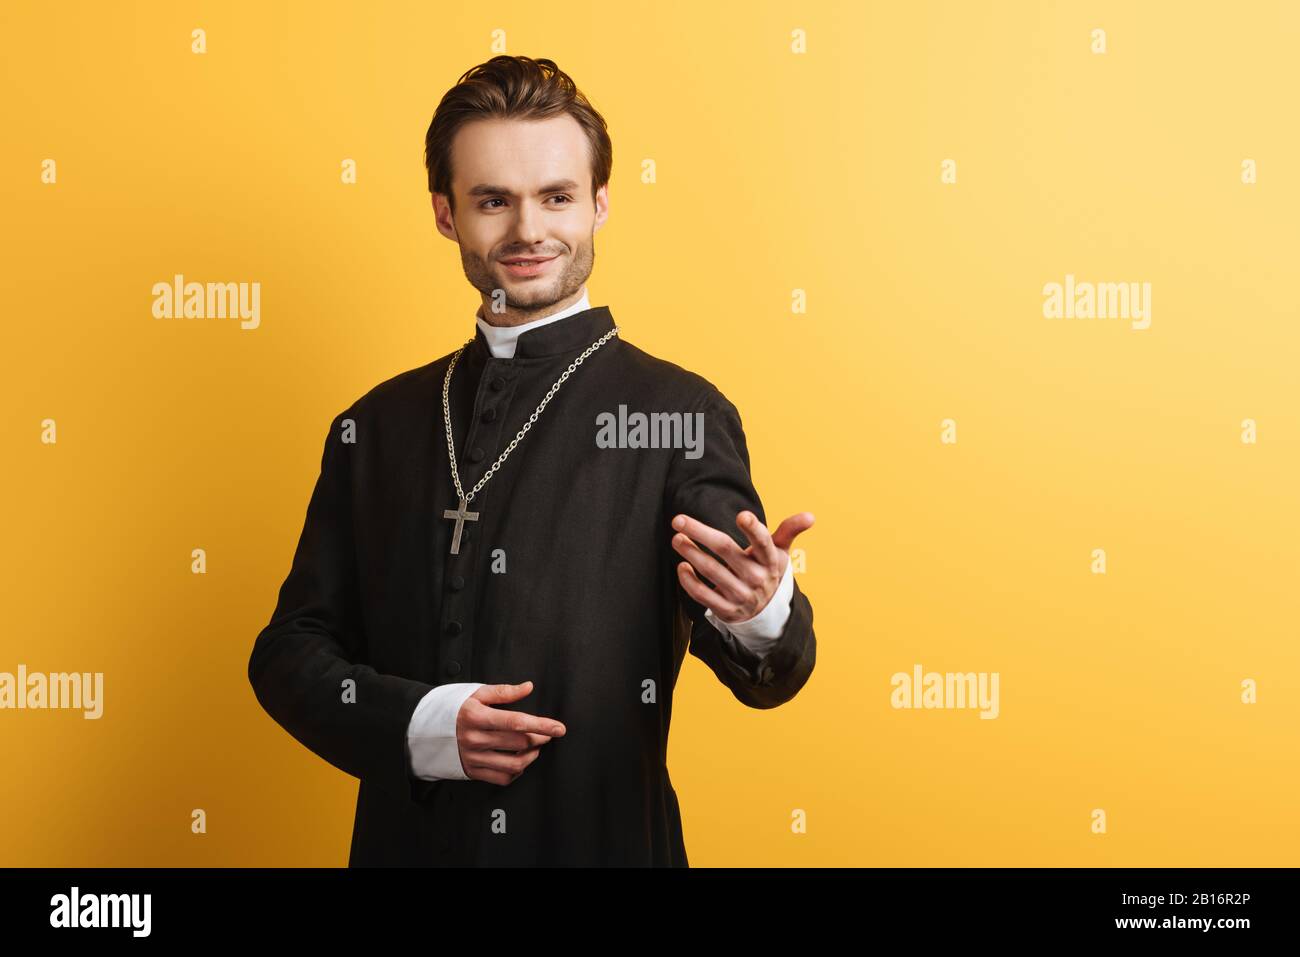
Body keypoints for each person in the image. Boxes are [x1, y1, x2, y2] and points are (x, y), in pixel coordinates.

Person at [248, 54, 816, 866]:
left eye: (557, 196)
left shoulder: (678, 416)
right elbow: (289, 654)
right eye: (493, 201)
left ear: (600, 202)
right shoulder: (372, 427)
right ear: (446, 214)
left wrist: (760, 611)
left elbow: (770, 673)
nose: (528, 232)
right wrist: (426, 727)